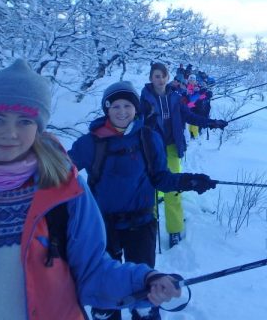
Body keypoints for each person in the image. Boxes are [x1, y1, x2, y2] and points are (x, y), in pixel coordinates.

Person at [0, 59, 181, 320]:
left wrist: (145, 280)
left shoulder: (67, 192)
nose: (11, 133)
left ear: (39, 129)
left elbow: (92, 271)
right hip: (109, 219)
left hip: (140, 221)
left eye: (25, 122)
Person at [70, 80, 223, 320]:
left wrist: (188, 181)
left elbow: (160, 178)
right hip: (102, 226)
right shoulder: (90, 143)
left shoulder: (149, 138)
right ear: (107, 109)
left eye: (127, 106)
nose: (122, 111)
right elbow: (61, 174)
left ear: (136, 108)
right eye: (116, 106)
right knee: (107, 298)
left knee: (145, 294)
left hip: (141, 223)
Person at [140, 63, 227, 248]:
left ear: (168, 77)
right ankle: (149, 227)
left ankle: (175, 229)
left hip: (172, 148)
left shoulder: (175, 97)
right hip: (150, 150)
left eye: (163, 76)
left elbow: (190, 116)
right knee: (150, 190)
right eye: (157, 76)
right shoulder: (144, 100)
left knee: (173, 188)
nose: (160, 79)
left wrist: (211, 123)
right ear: (150, 78)